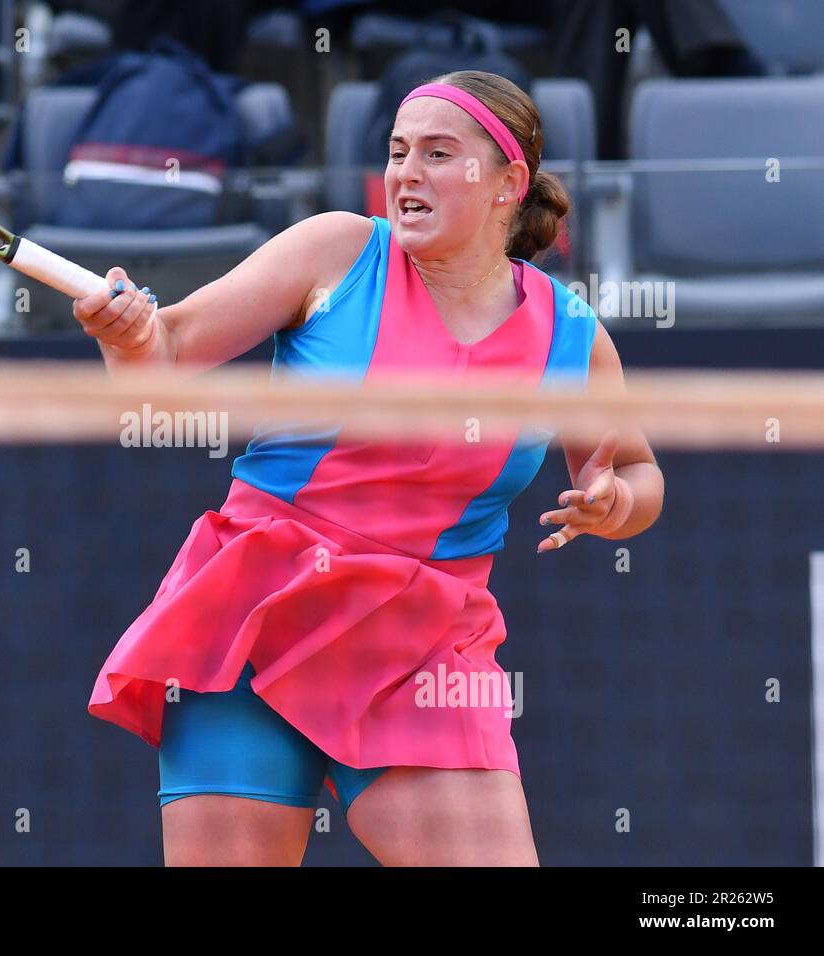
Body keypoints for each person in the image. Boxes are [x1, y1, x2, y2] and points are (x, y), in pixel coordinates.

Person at [74, 70, 664, 866]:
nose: (405, 173)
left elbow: (635, 469)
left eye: (437, 153)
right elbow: (167, 351)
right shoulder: (336, 251)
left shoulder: (571, 333)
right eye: (396, 152)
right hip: (253, 615)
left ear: (506, 184)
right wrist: (128, 335)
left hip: (427, 651)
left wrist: (613, 501)